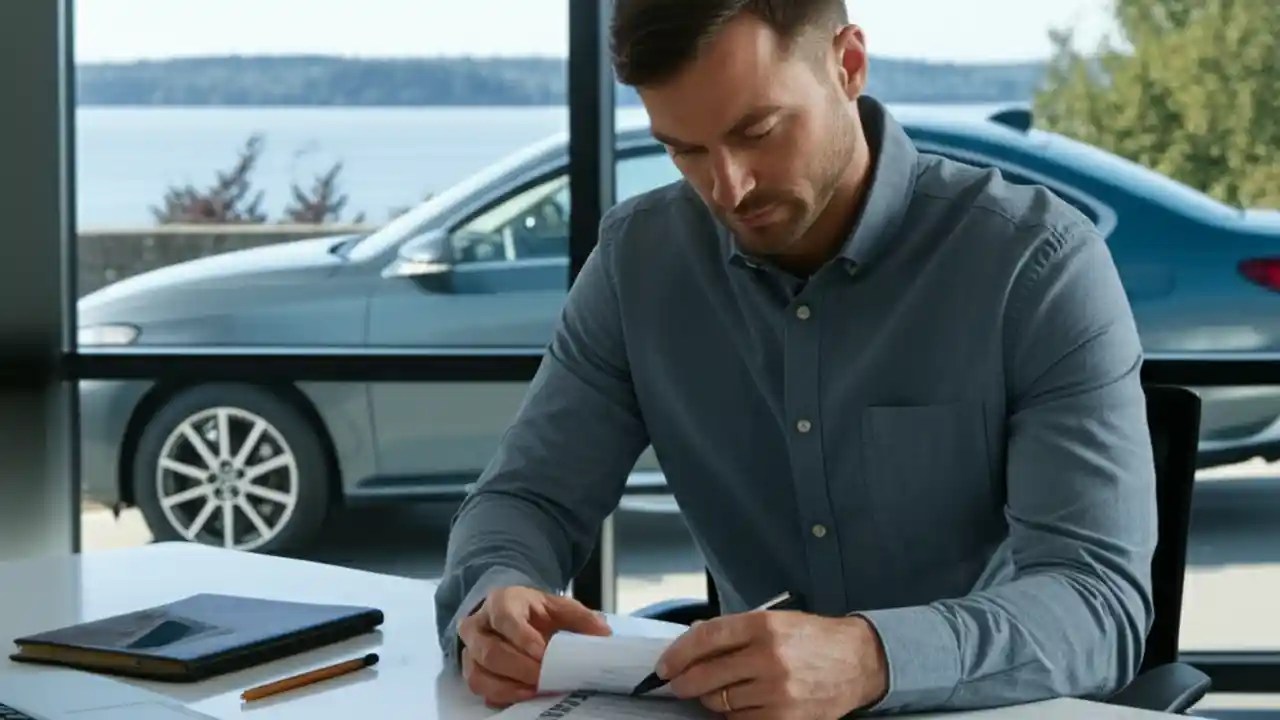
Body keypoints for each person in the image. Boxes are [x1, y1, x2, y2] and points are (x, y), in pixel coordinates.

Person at [435, 0, 1158, 716]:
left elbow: (1097, 603)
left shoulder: (1034, 264)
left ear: (847, 65)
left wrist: (870, 657)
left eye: (758, 131)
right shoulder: (639, 263)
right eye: (683, 150)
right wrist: (496, 597)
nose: (728, 187)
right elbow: (525, 498)